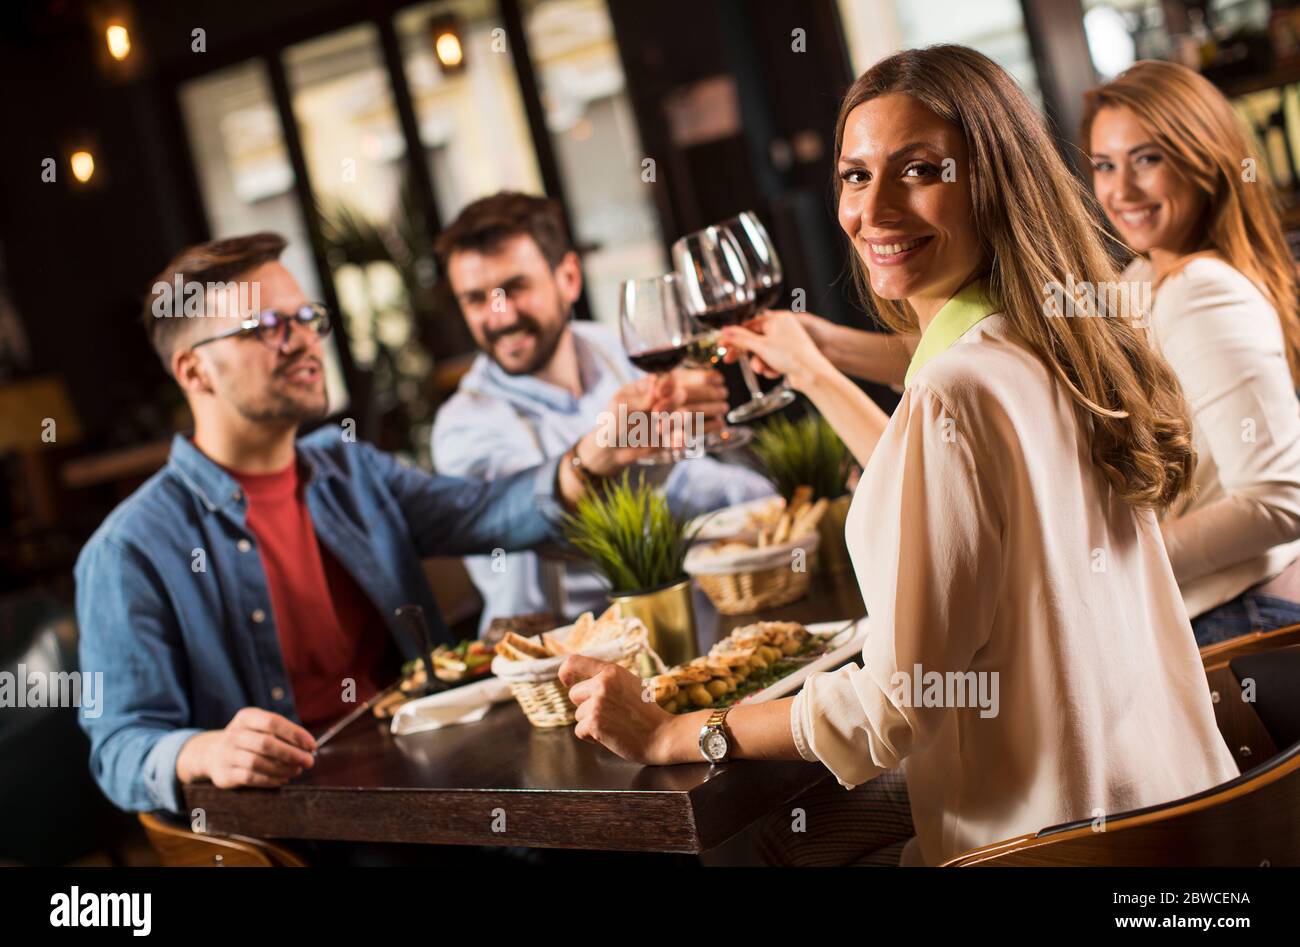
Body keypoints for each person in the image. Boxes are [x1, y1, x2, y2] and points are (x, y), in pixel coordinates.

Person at [555, 45, 1238, 866]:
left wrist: (677, 732)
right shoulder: (1063, 339)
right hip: (1172, 815)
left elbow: (896, 709)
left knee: (753, 853)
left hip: (1039, 843)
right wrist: (817, 370)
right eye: (854, 175)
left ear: (994, 179)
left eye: (920, 170)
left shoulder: (958, 389)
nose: (872, 211)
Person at [74, 232, 708, 815]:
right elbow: (118, 746)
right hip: (315, 821)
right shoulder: (130, 548)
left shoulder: (349, 470)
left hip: (438, 776)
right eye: (265, 326)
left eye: (305, 318)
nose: (300, 339)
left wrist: (591, 454)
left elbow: (485, 513)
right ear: (194, 370)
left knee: (651, 791)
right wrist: (204, 751)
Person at [431, 192, 773, 630]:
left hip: (688, 619)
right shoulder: (462, 426)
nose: (500, 316)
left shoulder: (610, 348)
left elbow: (690, 482)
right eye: (476, 299)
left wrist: (779, 504)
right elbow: (554, 536)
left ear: (569, 277)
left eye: (514, 288)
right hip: (563, 657)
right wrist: (630, 447)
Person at [1084, 60, 1300, 646]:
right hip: (1221, 614)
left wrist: (1116, 571)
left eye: (1147, 159)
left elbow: (1279, 501)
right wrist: (828, 348)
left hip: (1236, 618)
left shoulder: (1203, 292)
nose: (1119, 190)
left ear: (1203, 161)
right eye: (1104, 165)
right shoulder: (1144, 275)